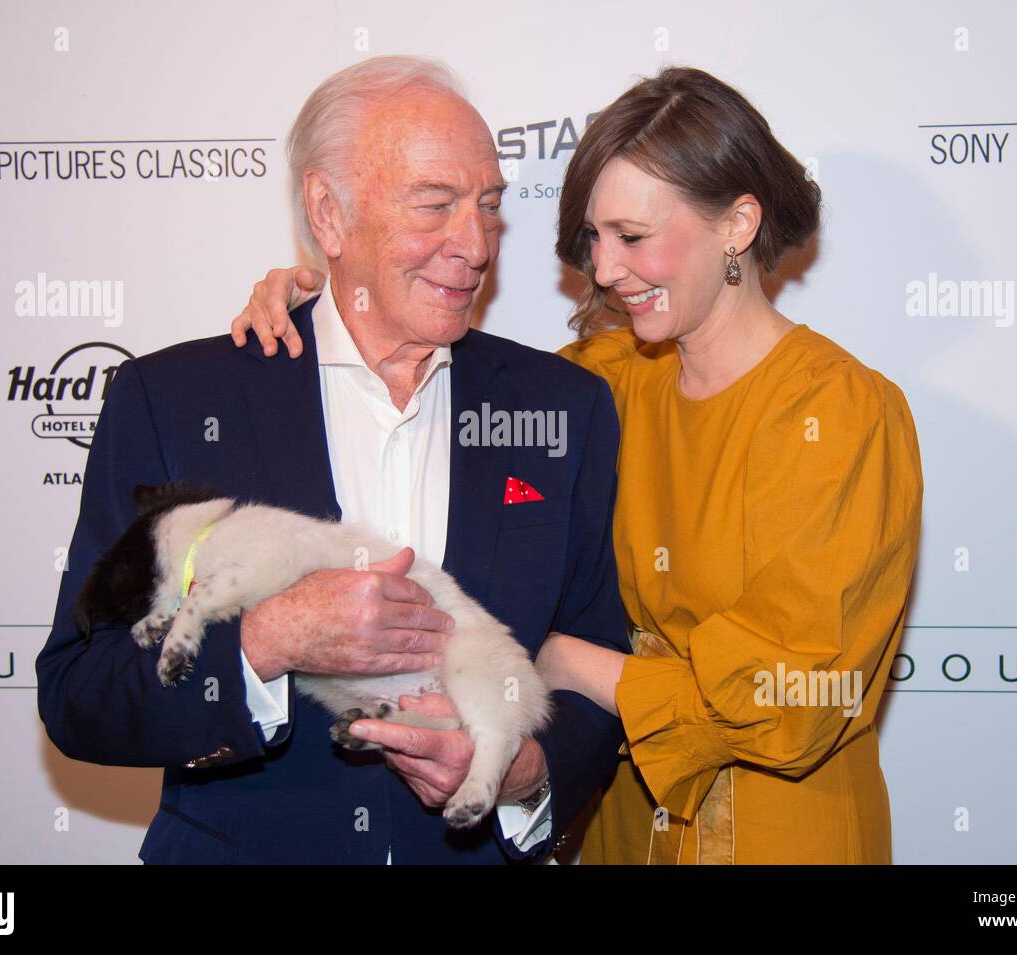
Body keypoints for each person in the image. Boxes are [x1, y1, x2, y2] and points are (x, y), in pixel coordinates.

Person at [232, 65, 924, 864]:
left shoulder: (841, 413)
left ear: (737, 224)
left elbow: (792, 704)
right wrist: (324, 302)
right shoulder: (606, 383)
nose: (602, 269)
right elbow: (428, 371)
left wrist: (567, 658)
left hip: (779, 833)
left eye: (633, 236)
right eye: (593, 238)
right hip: (620, 830)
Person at [36, 55, 631, 864]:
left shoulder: (565, 407)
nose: (475, 242)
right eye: (435, 204)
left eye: (489, 206)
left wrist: (523, 773)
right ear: (329, 214)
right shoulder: (172, 398)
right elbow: (82, 693)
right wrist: (265, 641)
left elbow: (595, 667)